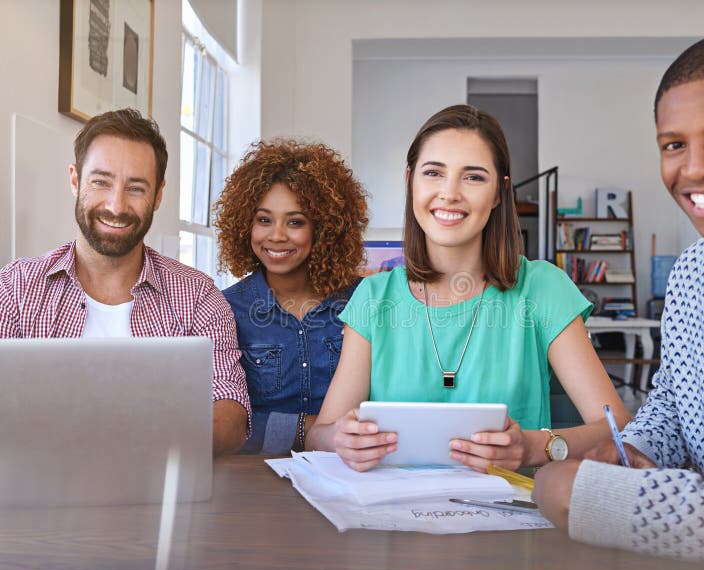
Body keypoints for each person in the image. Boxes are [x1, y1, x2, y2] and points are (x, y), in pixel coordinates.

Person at [532, 33, 704, 570]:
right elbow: (675, 402)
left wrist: (612, 504)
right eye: (674, 145)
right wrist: (634, 451)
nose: (695, 169)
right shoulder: (691, 272)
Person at [305, 104, 630, 471]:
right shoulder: (374, 297)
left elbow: (618, 430)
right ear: (410, 180)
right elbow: (319, 435)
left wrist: (536, 446)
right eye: (433, 173)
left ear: (498, 193)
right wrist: (340, 439)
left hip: (509, 515)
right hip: (392, 519)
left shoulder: (542, 289)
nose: (450, 193)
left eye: (473, 177)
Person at [0, 108, 251, 457]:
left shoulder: (197, 296)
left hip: (161, 496)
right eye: (100, 182)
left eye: (136, 188)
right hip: (39, 497)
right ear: (75, 180)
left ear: (158, 195)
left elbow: (232, 415)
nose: (116, 206)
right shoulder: (15, 288)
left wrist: (137, 444)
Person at [215, 140, 369, 454]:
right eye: (264, 219)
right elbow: (224, 425)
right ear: (246, 225)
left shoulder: (362, 302)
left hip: (347, 475)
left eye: (295, 222)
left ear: (324, 229)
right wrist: (312, 430)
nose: (277, 235)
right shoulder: (225, 308)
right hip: (255, 482)